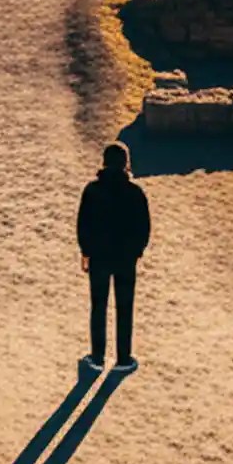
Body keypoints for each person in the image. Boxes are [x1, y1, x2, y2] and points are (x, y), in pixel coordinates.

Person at [77, 142, 151, 372]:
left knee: (98, 306)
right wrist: (136, 251)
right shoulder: (135, 193)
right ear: (125, 163)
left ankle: (97, 357)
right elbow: (144, 227)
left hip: (99, 257)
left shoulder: (92, 190)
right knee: (125, 307)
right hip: (125, 259)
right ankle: (123, 357)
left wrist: (86, 252)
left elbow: (83, 225)